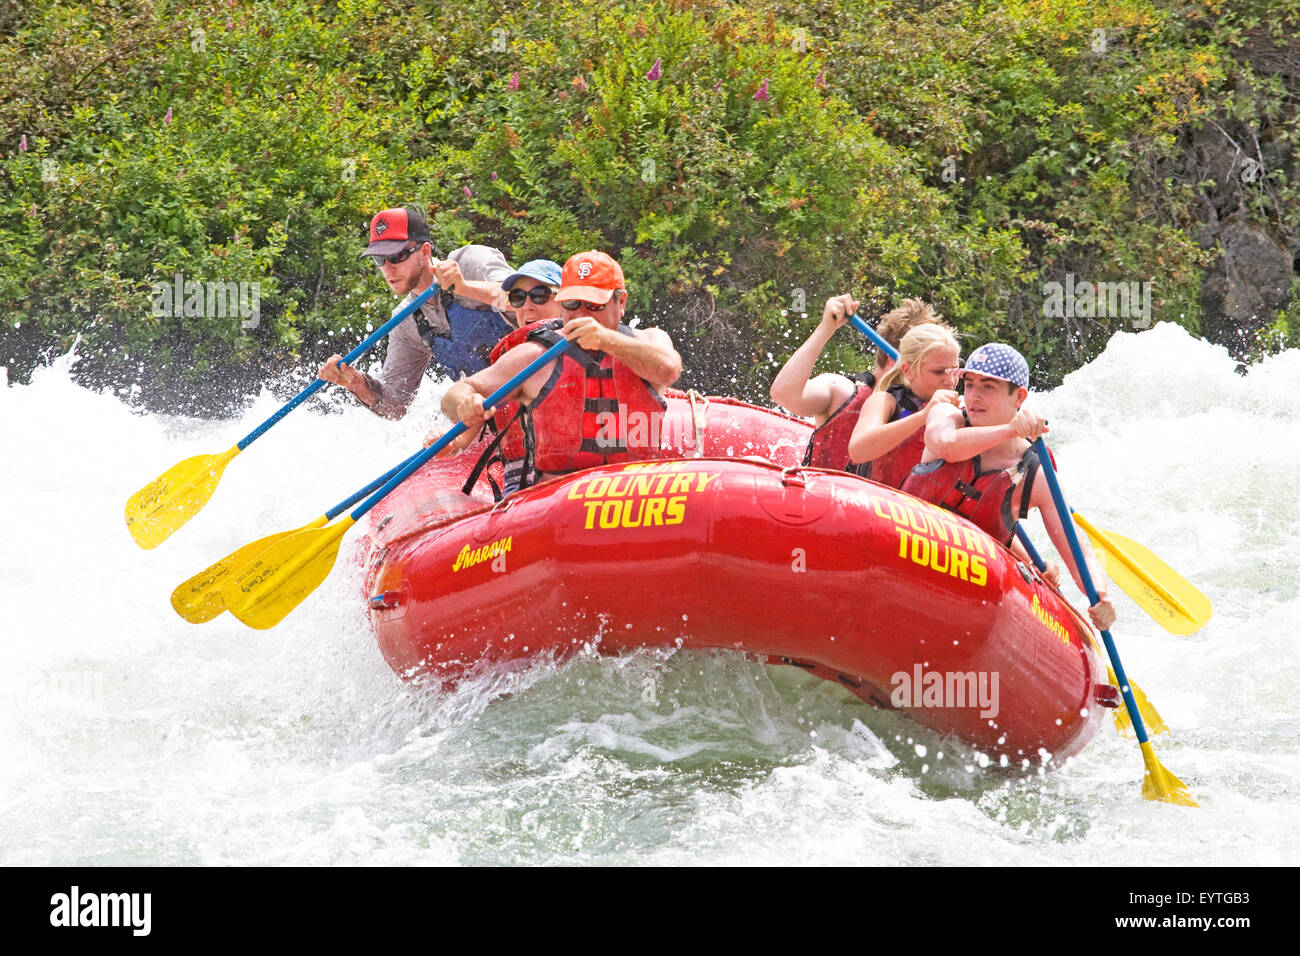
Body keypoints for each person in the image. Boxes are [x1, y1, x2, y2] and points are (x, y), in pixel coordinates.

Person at [900, 343, 1116, 630]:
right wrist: (1011, 429)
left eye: (988, 387)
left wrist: (1099, 595)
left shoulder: (1035, 473)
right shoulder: (946, 415)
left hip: (971, 592)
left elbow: (1079, 555)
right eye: (970, 385)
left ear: (1019, 397)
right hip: (904, 551)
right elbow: (948, 447)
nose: (974, 397)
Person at [426, 250, 682, 487]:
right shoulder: (534, 356)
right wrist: (466, 402)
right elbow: (457, 392)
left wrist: (606, 339)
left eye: (593, 305)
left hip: (641, 490)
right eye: (572, 304)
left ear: (621, 302)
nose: (582, 314)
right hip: (559, 497)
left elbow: (668, 370)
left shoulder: (650, 340)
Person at [316, 206, 514, 419]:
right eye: (380, 260)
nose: (388, 269)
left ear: (425, 251)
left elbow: (523, 299)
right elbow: (396, 405)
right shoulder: (405, 322)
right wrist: (355, 382)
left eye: (397, 256)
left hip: (538, 382)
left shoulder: (471, 262)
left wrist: (464, 287)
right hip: (491, 413)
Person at [771, 294, 944, 473]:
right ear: (903, 360)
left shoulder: (931, 412)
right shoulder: (841, 391)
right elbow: (783, 394)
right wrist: (826, 328)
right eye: (936, 368)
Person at [846, 323, 962, 487]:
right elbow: (857, 452)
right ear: (907, 370)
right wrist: (922, 416)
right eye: (938, 372)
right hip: (874, 503)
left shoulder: (961, 411)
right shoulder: (885, 401)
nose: (950, 381)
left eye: (954, 371)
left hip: (925, 510)